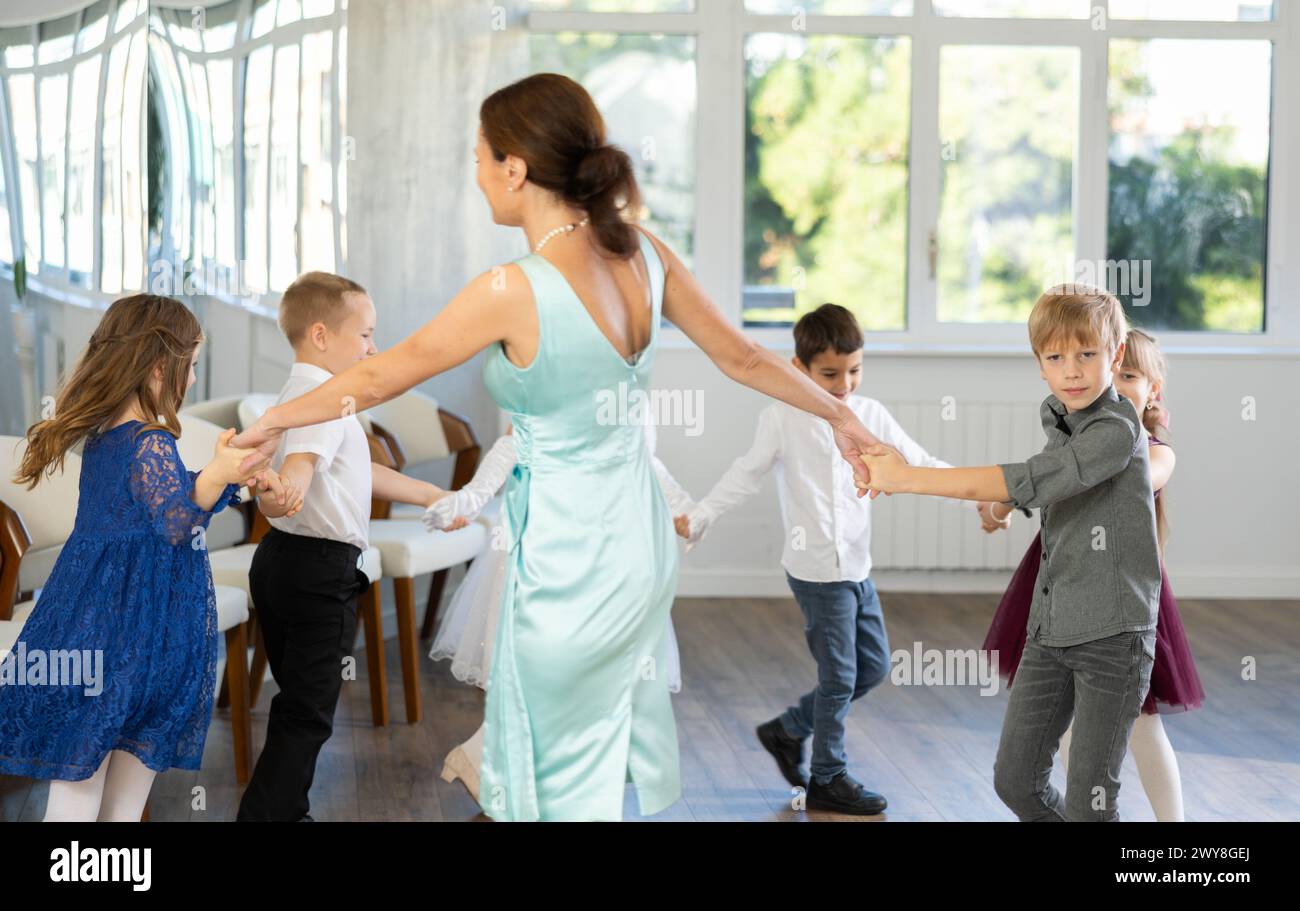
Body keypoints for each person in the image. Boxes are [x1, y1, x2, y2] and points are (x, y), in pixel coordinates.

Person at [232, 73, 884, 821]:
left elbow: (379, 375)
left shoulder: (514, 287)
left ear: (514, 168)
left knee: (551, 752)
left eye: (480, 158)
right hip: (635, 542)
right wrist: (843, 420)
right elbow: (745, 357)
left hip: (565, 551)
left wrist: (270, 424)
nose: (477, 175)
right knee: (570, 743)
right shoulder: (645, 254)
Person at [859, 284, 1162, 822]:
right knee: (1016, 782)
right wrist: (1002, 504)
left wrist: (906, 478)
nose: (1072, 370)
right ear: (1039, 364)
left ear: (1115, 356)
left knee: (1092, 804)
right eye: (1056, 357)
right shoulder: (1061, 417)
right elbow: (1051, 484)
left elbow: (1034, 478)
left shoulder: (1116, 430)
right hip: (1050, 629)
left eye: (1087, 354)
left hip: (1113, 639)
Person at [679, 303, 977, 815]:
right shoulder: (780, 418)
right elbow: (746, 473)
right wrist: (701, 514)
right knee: (839, 676)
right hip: (815, 571)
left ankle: (788, 729)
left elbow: (919, 462)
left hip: (857, 567)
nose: (845, 385)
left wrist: (980, 499)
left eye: (854, 370)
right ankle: (827, 776)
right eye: (831, 374)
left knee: (873, 667)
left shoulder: (871, 415)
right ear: (799, 369)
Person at [0, 295, 285, 821]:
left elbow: (160, 505)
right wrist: (218, 473)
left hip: (99, 626)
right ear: (159, 367)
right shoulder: (149, 441)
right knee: (103, 793)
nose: (192, 378)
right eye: (191, 364)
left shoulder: (109, 435)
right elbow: (174, 521)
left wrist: (228, 478)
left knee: (83, 779)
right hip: (134, 635)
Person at [236, 272, 450, 822]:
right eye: (366, 335)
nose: (373, 349)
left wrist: (429, 494)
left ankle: (287, 811)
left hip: (282, 563)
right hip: (318, 571)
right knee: (308, 712)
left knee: (298, 702)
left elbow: (355, 471)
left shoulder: (303, 394)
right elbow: (301, 468)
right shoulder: (322, 402)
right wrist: (284, 491)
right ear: (321, 335)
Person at [979, 327, 1202, 821]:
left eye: (1130, 376)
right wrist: (998, 506)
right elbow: (1041, 478)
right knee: (1065, 727)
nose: (1116, 386)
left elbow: (1132, 477)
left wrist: (1028, 488)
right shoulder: (1075, 442)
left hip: (1124, 598)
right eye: (1113, 374)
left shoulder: (1154, 451)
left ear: (1153, 390)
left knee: (1141, 725)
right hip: (1063, 580)